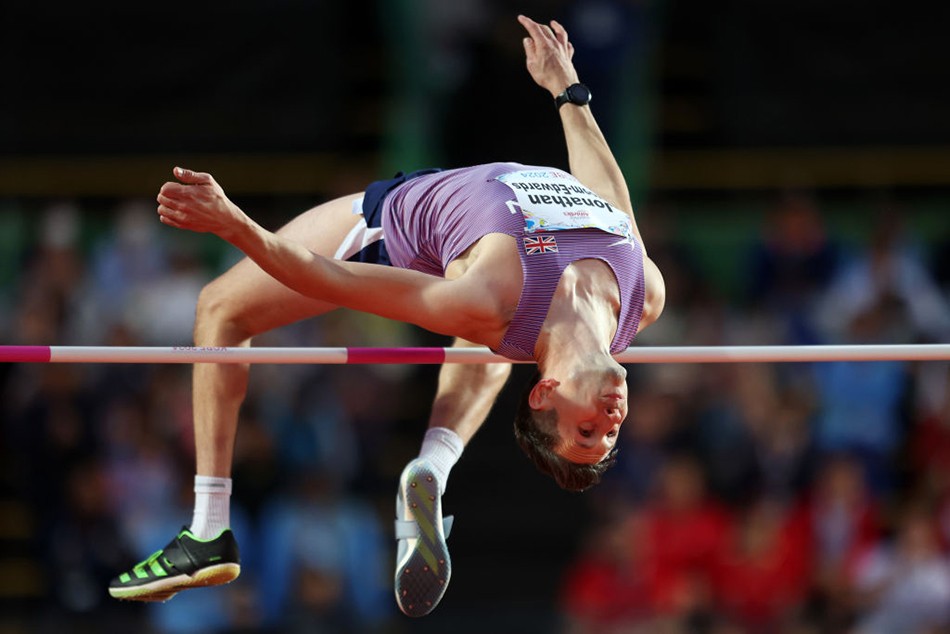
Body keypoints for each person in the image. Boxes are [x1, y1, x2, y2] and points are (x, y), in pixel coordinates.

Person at [108, 14, 666, 618]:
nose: (610, 423)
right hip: (478, 257)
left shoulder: (489, 298)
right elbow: (609, 193)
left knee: (218, 309)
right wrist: (566, 88)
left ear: (546, 395)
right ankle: (431, 467)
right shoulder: (643, 293)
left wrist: (236, 224)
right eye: (610, 435)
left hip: (390, 228)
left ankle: (208, 527)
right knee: (496, 338)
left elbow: (335, 279)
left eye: (587, 432)